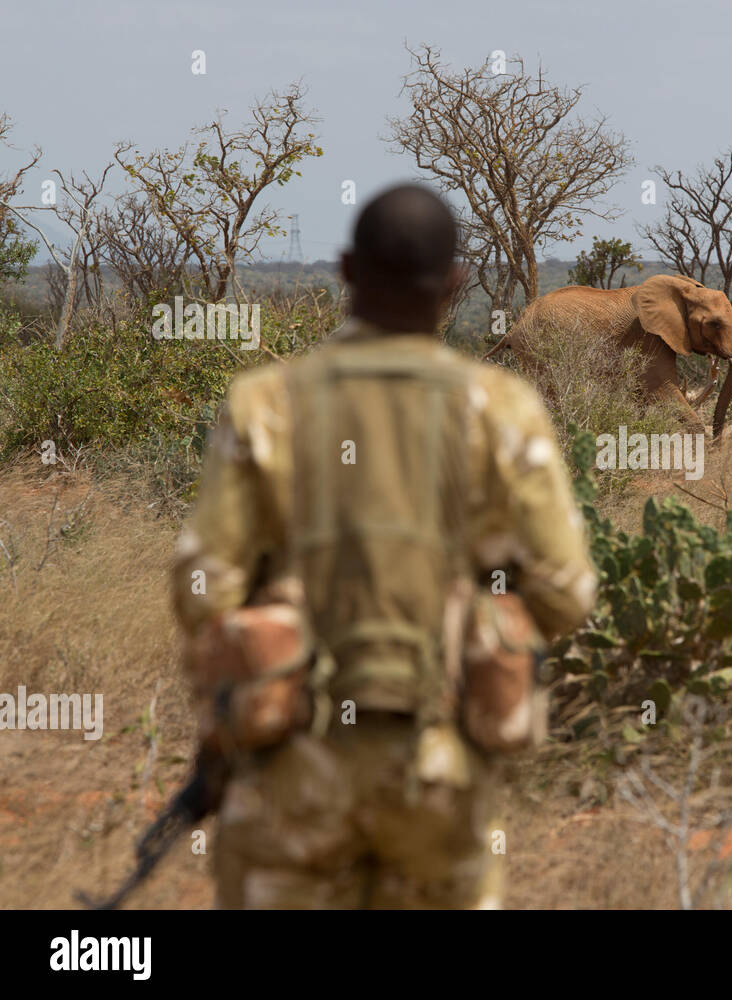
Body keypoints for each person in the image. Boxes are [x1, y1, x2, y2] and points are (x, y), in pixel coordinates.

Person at [170, 183, 597, 909]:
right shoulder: (500, 409)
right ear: (456, 285)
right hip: (441, 775)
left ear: (345, 272)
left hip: (290, 773)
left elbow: (200, 588)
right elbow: (567, 588)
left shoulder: (267, 402)